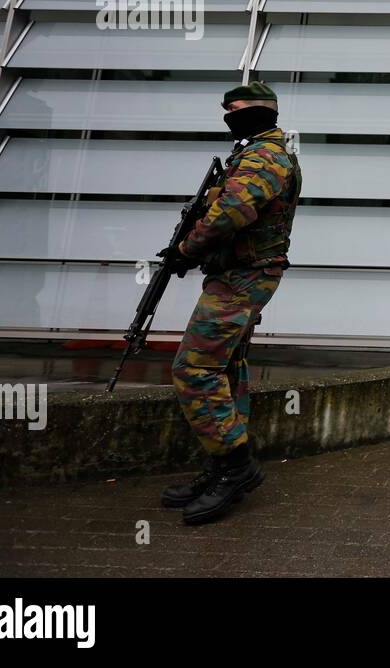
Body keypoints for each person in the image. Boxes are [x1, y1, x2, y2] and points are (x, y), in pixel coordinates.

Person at [160, 81, 302, 525]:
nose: (229, 117)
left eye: (235, 111)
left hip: (245, 277)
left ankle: (236, 467)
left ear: (258, 114)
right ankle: (224, 464)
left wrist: (186, 250)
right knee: (224, 367)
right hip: (237, 274)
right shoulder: (256, 151)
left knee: (194, 369)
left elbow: (230, 213)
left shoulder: (264, 156)